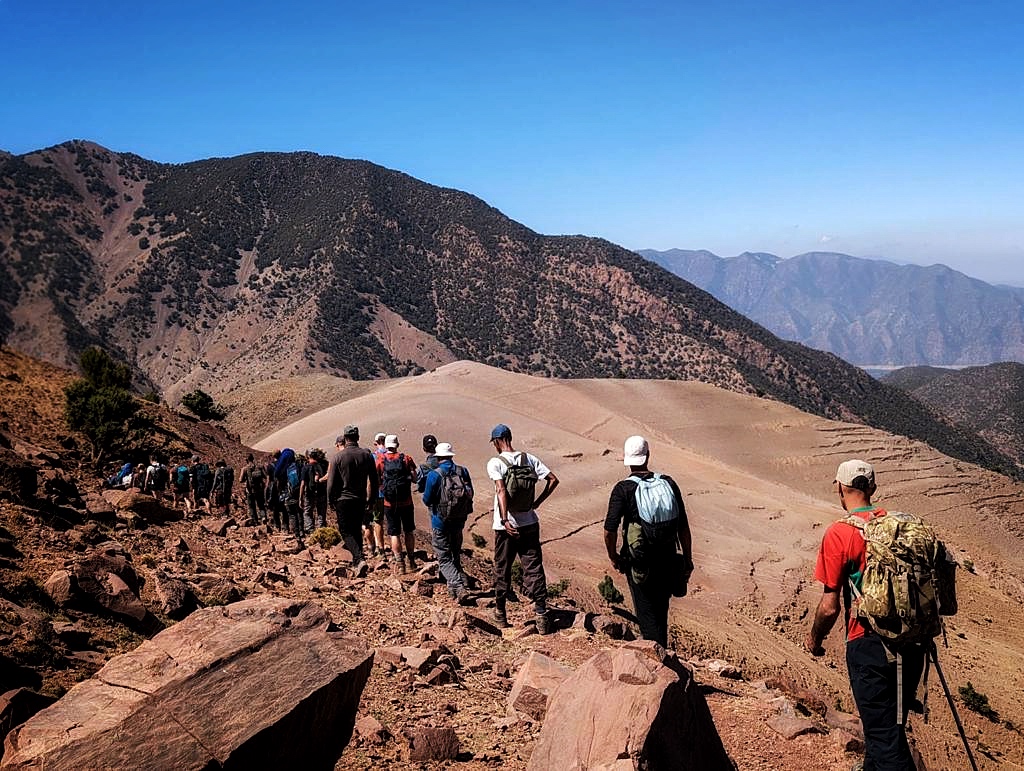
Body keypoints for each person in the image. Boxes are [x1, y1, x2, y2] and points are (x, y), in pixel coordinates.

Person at [805, 460, 925, 771]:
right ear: (872, 488)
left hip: (869, 644)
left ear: (840, 488)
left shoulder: (839, 533)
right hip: (912, 644)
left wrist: (814, 639)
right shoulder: (898, 526)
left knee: (884, 739)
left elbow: (829, 606)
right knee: (887, 730)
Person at [603, 435, 693, 648]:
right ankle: (664, 653)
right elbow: (683, 527)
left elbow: (609, 530)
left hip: (639, 563)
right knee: (661, 612)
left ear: (626, 458)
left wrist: (614, 557)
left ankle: (657, 659)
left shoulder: (623, 489)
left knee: (646, 615)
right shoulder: (668, 483)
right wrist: (687, 560)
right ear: (648, 455)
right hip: (668, 560)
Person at [487, 423, 559, 634]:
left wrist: (504, 520)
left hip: (506, 527)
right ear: (510, 438)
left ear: (497, 442)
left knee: (503, 567)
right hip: (529, 523)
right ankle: (541, 614)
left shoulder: (496, 462)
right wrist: (537, 502)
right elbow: (553, 480)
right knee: (533, 566)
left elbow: (501, 490)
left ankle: (500, 614)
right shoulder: (529, 459)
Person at [422, 442, 474, 604]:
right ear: (451, 456)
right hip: (459, 520)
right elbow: (470, 493)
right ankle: (456, 586)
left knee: (444, 557)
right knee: (455, 552)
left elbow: (427, 499)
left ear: (438, 458)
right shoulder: (462, 471)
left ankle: (458, 586)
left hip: (440, 521)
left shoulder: (434, 475)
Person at [326, 426, 378, 571]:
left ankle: (359, 559)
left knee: (345, 531)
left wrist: (330, 500)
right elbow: (374, 480)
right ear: (358, 437)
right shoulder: (366, 455)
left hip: (343, 499)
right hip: (360, 499)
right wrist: (372, 499)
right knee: (356, 529)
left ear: (345, 438)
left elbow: (331, 483)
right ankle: (358, 562)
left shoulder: (338, 457)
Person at [376, 434, 420, 573]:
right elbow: (415, 478)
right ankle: (411, 562)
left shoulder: (380, 460)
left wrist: (383, 488)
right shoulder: (406, 458)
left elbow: (377, 479)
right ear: (397, 445)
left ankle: (400, 564)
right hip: (406, 501)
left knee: (394, 533)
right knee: (408, 531)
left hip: (389, 503)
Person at [365, 432, 389, 556]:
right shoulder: (393, 456)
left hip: (378, 493)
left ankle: (381, 549)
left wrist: (368, 496)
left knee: (378, 521)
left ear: (375, 443)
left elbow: (370, 478)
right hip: (393, 494)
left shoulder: (373, 457)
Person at [274, 449, 302, 536]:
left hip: (288, 493)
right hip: (298, 492)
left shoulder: (280, 468)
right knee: (299, 511)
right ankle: (301, 531)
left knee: (291, 513)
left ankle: (296, 534)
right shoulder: (297, 465)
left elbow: (277, 481)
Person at [300, 449, 328, 532]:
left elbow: (302, 484)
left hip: (310, 494)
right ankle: (321, 530)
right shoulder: (322, 466)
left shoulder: (305, 468)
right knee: (321, 513)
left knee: (307, 513)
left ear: (308, 456)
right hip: (322, 493)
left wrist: (300, 498)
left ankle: (310, 530)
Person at [240, 453, 268, 525]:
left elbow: (240, 480)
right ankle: (263, 517)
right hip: (259, 490)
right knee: (261, 505)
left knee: (252, 506)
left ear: (246, 460)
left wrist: (246, 479)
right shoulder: (260, 467)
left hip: (250, 491)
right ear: (253, 459)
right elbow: (265, 476)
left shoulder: (245, 469)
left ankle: (255, 521)